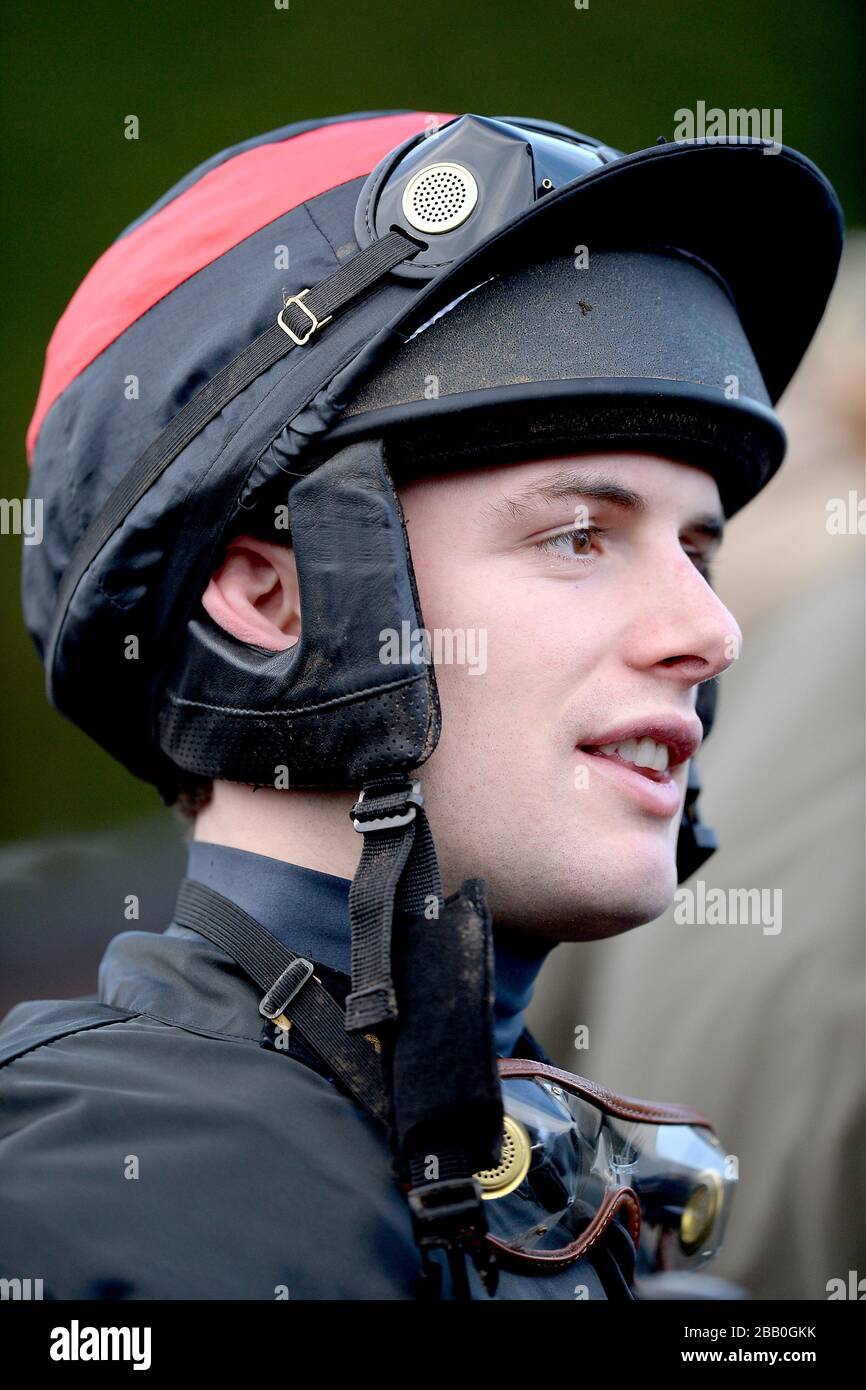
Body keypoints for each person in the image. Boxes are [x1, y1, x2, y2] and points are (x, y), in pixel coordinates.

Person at [0, 110, 843, 1300]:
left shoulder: (585, 1224)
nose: (710, 631)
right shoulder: (91, 1216)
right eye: (580, 535)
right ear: (271, 594)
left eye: (698, 552)